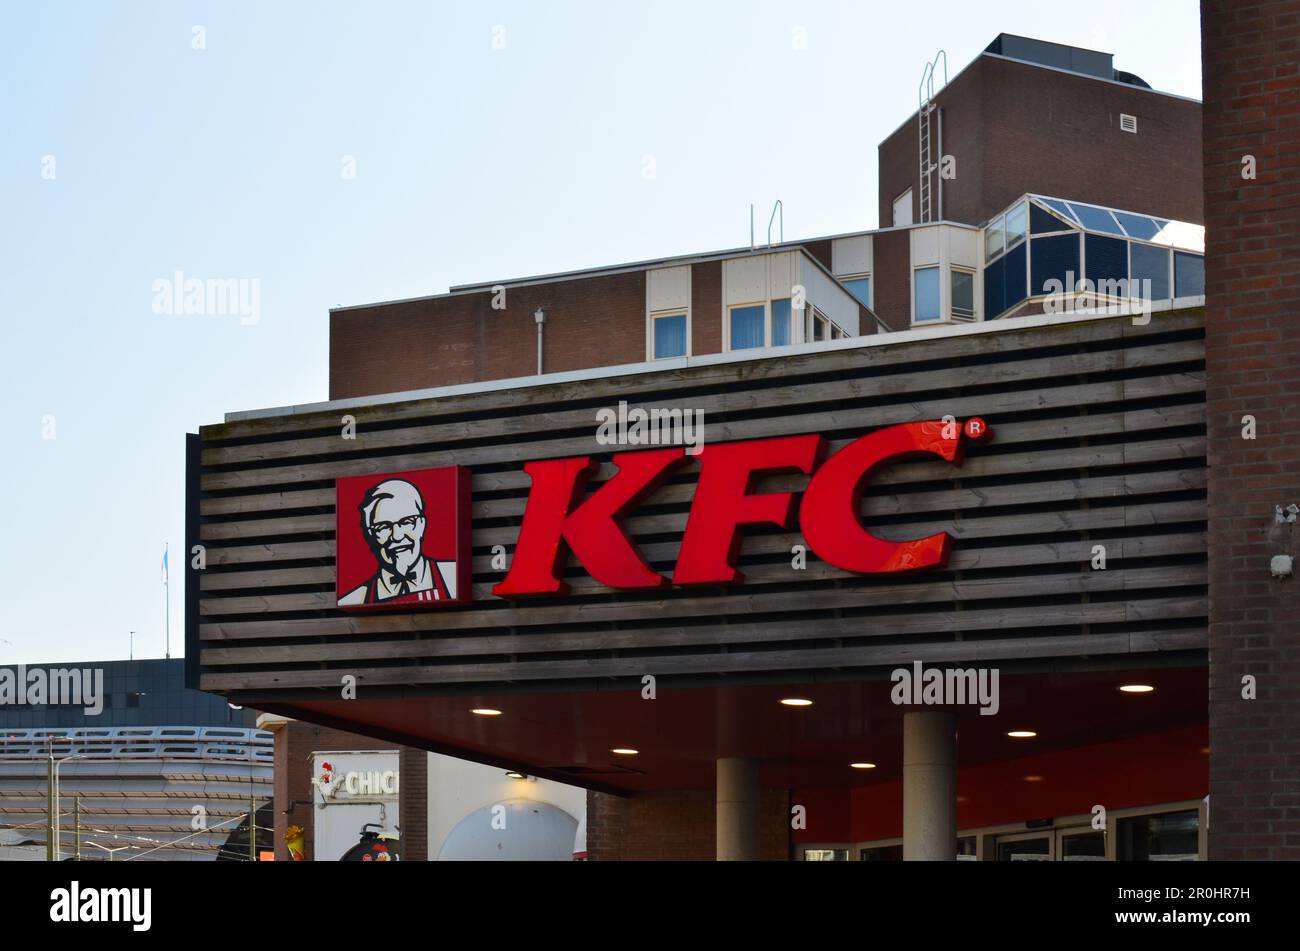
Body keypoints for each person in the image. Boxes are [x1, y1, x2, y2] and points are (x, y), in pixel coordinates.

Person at [339, 478, 457, 606]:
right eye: (383, 526)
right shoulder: (355, 600)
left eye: (407, 522)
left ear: (422, 525)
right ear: (370, 535)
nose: (397, 536)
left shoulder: (453, 577)